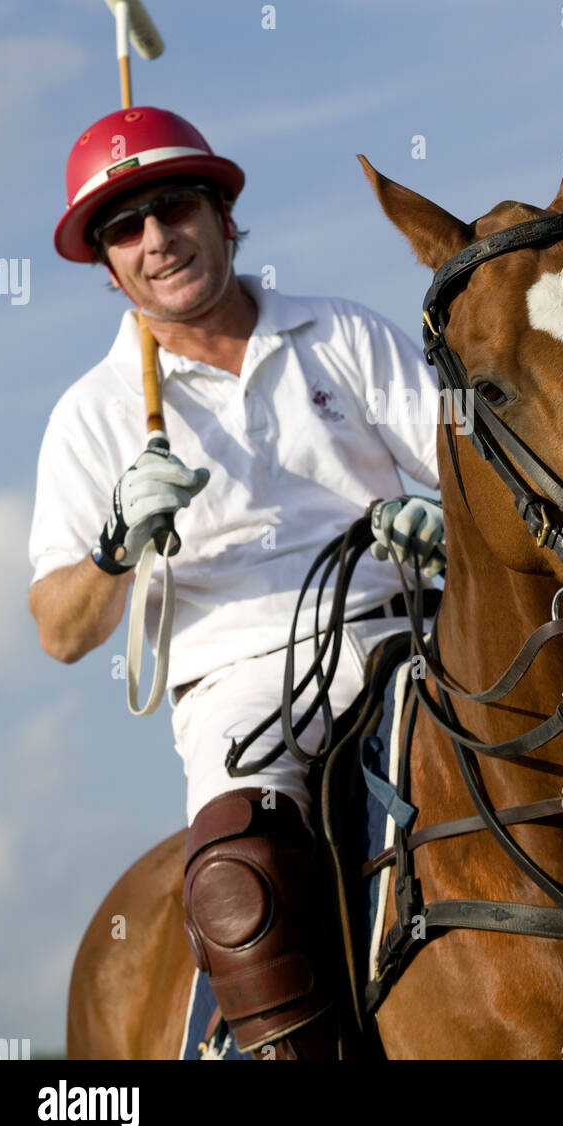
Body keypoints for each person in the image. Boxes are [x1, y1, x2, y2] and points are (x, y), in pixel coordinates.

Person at [28, 105, 444, 1059]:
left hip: (408, 628)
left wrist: (449, 533)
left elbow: (464, 472)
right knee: (236, 865)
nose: (155, 239)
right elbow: (59, 628)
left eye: (174, 208)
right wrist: (115, 546)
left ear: (222, 213)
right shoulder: (91, 415)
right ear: (107, 264)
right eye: (124, 229)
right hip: (244, 682)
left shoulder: (340, 331)